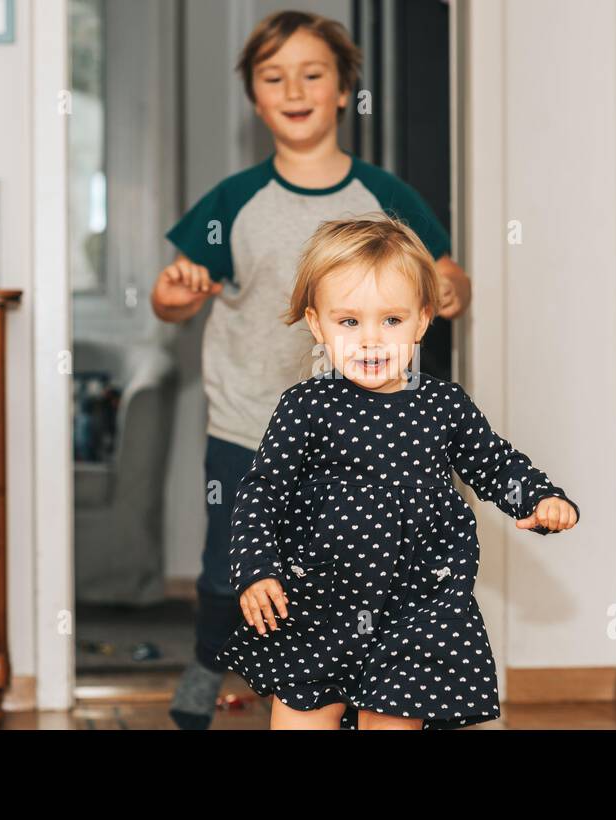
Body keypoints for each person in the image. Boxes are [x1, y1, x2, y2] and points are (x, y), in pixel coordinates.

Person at [152, 10, 472, 730]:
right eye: (274, 76)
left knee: (350, 573)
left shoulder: (386, 197)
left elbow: (445, 274)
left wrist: (452, 286)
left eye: (312, 73)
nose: (293, 87)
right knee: (225, 573)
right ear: (256, 98)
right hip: (248, 426)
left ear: (341, 91)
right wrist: (173, 293)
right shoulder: (232, 203)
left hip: (362, 434)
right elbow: (172, 296)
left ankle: (343, 695)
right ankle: (211, 654)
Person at [215, 214, 579, 730]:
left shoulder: (443, 406)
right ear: (317, 324)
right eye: (349, 322)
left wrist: (539, 499)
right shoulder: (305, 407)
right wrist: (256, 570)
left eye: (391, 320)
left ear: (423, 319)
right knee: (302, 717)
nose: (371, 341)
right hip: (318, 603)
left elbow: (494, 463)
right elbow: (262, 493)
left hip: (418, 608)